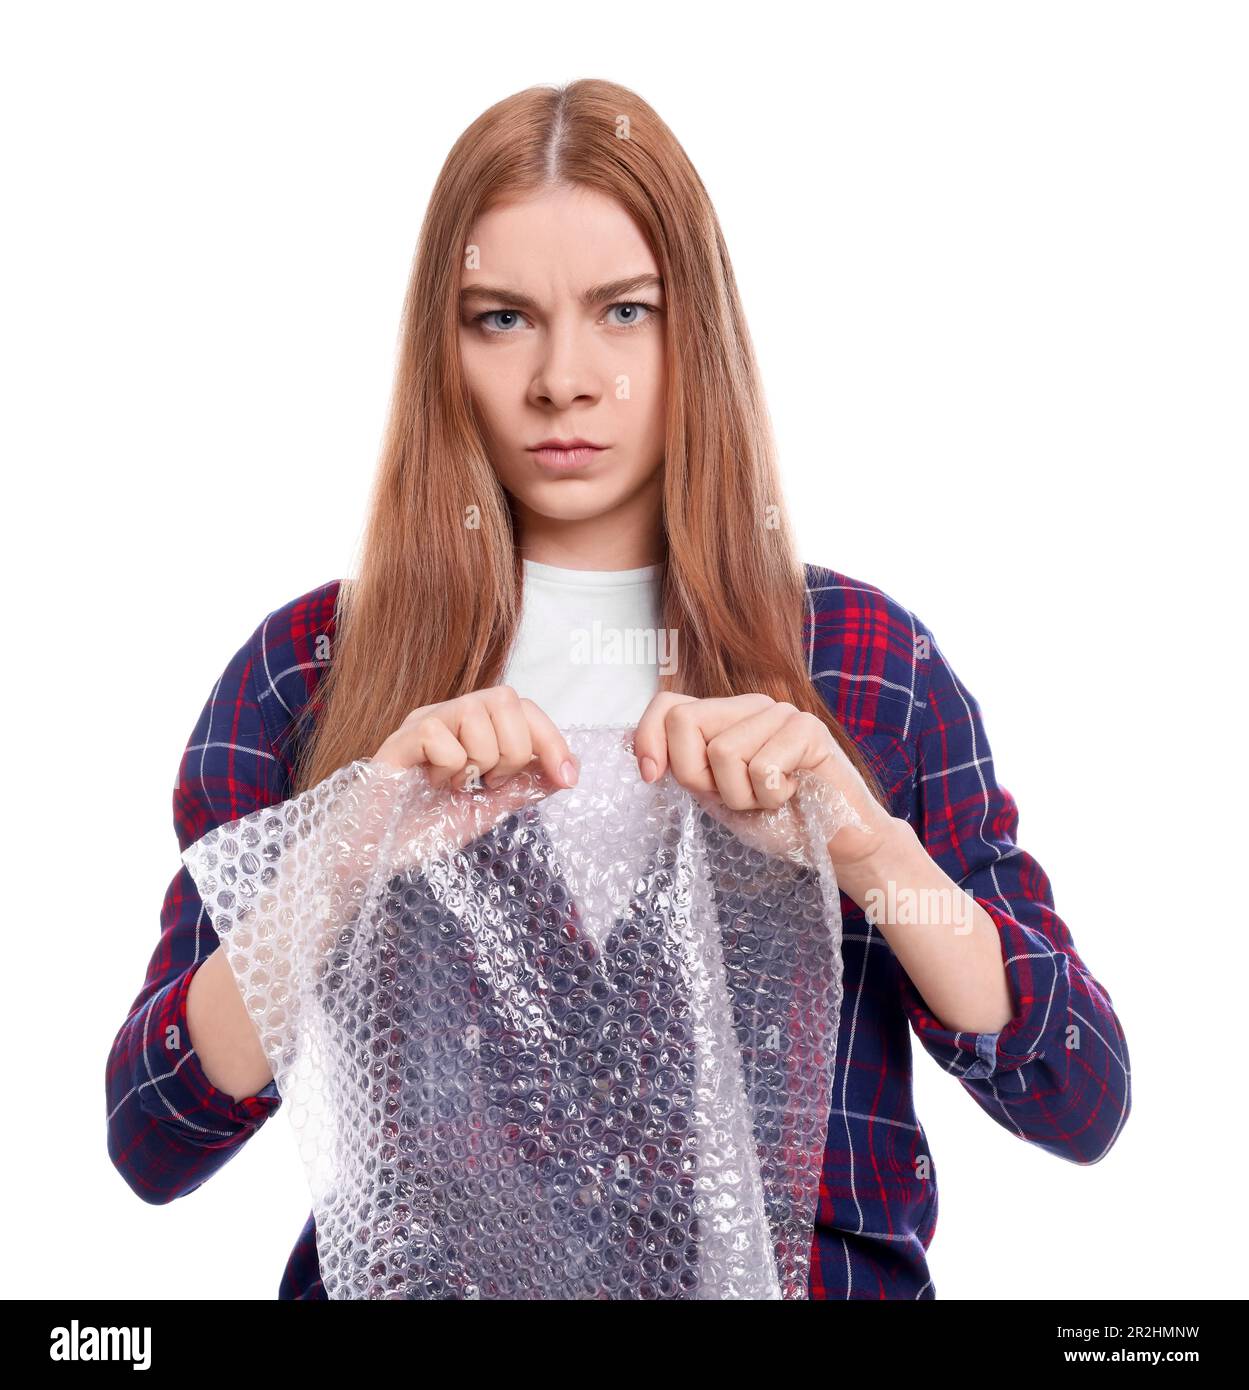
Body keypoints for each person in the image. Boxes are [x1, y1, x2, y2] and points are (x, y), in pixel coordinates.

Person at [105, 78, 1131, 1299]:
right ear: (443, 341)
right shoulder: (312, 671)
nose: (562, 379)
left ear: (691, 329)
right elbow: (153, 1137)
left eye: (622, 312)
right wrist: (346, 846)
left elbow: (1081, 1096)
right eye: (500, 319)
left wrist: (862, 846)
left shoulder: (860, 664)